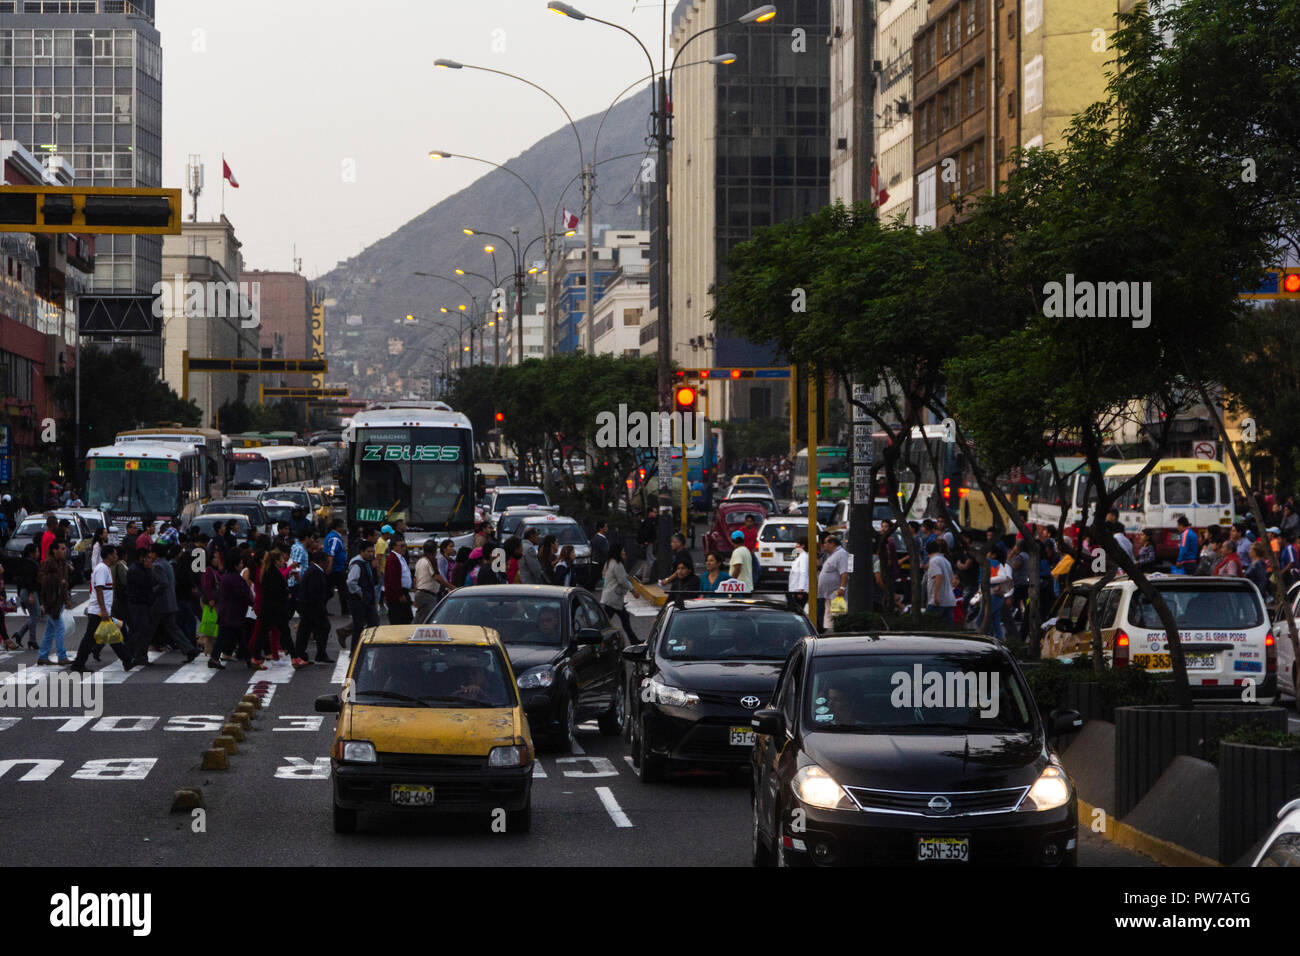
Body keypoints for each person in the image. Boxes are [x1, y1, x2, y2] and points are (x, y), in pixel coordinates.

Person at [68, 545, 133, 672]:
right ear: (108, 555)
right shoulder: (102, 569)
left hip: (101, 610)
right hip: (98, 611)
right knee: (95, 638)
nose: (116, 557)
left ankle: (127, 660)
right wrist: (103, 610)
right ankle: (127, 659)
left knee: (109, 636)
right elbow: (99, 589)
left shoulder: (105, 568)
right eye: (114, 554)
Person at [149, 543, 199, 662]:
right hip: (170, 601)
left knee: (149, 629)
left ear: (155, 553)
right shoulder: (168, 564)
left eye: (151, 552)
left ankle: (137, 654)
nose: (150, 555)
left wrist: (152, 592)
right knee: (173, 628)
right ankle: (190, 649)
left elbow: (163, 583)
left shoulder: (157, 566)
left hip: (160, 603)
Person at [211, 550, 253, 669]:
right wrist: (252, 603)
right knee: (237, 637)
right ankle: (249, 659)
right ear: (235, 565)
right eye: (240, 563)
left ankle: (215, 658)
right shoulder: (234, 578)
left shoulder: (227, 576)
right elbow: (242, 594)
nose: (242, 565)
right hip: (232, 613)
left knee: (233, 637)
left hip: (228, 612)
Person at [36, 539, 73, 665]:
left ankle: (43, 655)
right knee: (59, 628)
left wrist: (67, 597)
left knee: (50, 630)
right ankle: (61, 656)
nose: (65, 551)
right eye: (62, 549)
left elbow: (65, 582)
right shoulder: (49, 563)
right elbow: (41, 579)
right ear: (54, 550)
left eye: (65, 548)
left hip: (59, 599)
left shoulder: (62, 563)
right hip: (51, 601)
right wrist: (57, 581)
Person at [293, 550, 333, 666]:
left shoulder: (313, 571)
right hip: (312, 607)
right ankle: (319, 654)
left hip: (308, 606)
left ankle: (301, 654)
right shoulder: (315, 572)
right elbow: (314, 592)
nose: (328, 565)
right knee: (322, 627)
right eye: (326, 562)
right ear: (321, 562)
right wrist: (319, 607)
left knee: (305, 630)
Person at [346, 541, 381, 650]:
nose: (371, 554)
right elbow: (351, 582)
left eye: (372, 551)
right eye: (368, 552)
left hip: (367, 599)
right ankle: (355, 650)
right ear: (362, 552)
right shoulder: (357, 564)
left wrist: (375, 568)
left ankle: (370, 647)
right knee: (358, 626)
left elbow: (374, 581)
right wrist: (360, 593)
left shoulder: (368, 563)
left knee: (373, 623)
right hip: (358, 600)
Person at [600, 542, 635, 639]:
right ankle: (596, 640)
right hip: (613, 598)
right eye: (623, 550)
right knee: (622, 620)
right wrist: (633, 590)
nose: (624, 552)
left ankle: (634, 640)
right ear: (618, 552)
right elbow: (622, 581)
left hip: (611, 597)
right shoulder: (617, 564)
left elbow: (604, 575)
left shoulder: (609, 562)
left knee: (620, 619)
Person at [9, 543, 40, 649]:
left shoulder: (25, 562)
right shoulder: (29, 564)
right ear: (31, 553)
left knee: (35, 615)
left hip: (25, 592)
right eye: (36, 551)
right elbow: (29, 581)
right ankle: (32, 640)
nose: (38, 553)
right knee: (35, 616)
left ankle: (20, 634)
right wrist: (31, 594)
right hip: (29, 592)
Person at [817, 534, 850, 632]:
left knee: (838, 617)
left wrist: (842, 588)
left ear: (832, 544)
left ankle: (838, 634)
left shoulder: (841, 554)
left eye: (825, 543)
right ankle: (830, 634)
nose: (824, 545)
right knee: (829, 618)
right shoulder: (833, 555)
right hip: (829, 594)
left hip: (837, 594)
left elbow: (844, 573)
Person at [924, 540, 957, 625]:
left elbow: (938, 576)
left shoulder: (934, 561)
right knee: (947, 630)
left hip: (937, 601)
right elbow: (952, 580)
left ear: (927, 551)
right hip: (949, 600)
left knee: (929, 626)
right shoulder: (945, 561)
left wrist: (935, 595)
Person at [384, 535, 414, 625]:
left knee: (407, 619)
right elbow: (393, 579)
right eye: (401, 546)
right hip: (397, 596)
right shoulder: (393, 559)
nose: (404, 548)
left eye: (405, 546)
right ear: (394, 547)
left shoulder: (400, 558)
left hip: (403, 592)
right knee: (399, 620)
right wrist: (399, 594)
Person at [322, 519, 348, 615]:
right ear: (338, 527)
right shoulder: (334, 538)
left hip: (335, 568)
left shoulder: (333, 536)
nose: (343, 529)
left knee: (329, 591)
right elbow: (331, 553)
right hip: (336, 569)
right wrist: (329, 567)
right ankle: (345, 610)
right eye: (342, 526)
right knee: (342, 590)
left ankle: (323, 609)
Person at [413, 541, 440, 620]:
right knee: (428, 619)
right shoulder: (431, 560)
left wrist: (416, 594)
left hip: (420, 593)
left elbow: (415, 579)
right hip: (427, 595)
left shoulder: (420, 561)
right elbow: (437, 577)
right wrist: (451, 586)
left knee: (420, 618)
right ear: (434, 550)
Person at [787, 536, 809, 613]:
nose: (795, 545)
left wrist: (801, 589)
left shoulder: (804, 557)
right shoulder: (800, 556)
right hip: (794, 589)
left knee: (797, 612)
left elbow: (803, 572)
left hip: (798, 590)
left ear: (803, 545)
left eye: (797, 544)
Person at [589, 519, 610, 589]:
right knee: (595, 581)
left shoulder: (598, 537)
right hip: (599, 562)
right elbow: (605, 551)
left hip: (597, 561)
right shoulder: (600, 539)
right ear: (601, 528)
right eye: (606, 527)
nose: (607, 528)